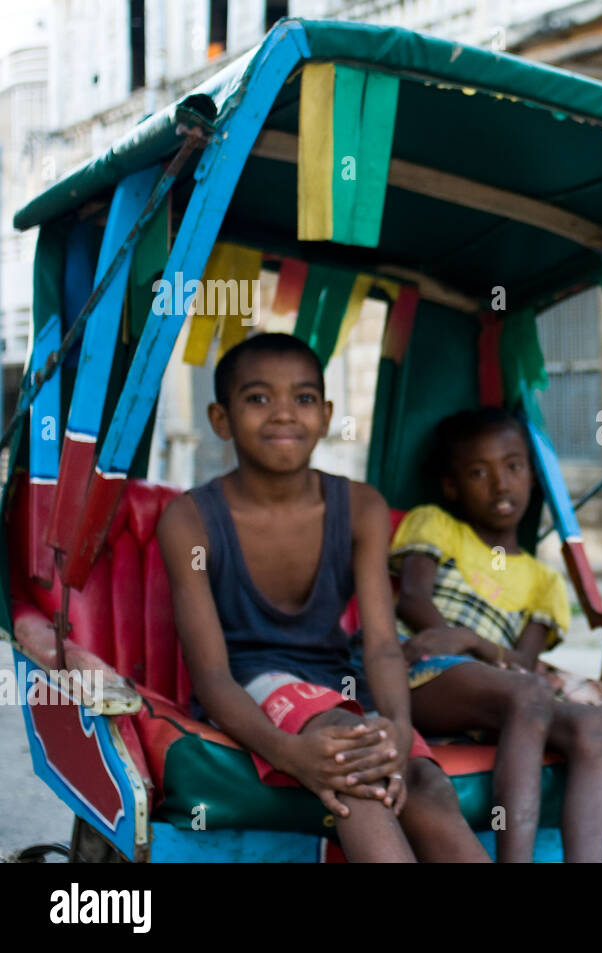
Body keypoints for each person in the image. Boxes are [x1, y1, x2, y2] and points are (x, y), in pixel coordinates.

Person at [156, 332, 489, 862]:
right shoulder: (191, 519)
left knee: (429, 786)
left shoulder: (360, 506)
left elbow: (381, 645)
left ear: (328, 413)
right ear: (220, 418)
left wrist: (400, 730)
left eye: (304, 398)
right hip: (253, 686)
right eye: (259, 398)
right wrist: (290, 753)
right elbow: (212, 677)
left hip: (339, 682)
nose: (284, 414)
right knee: (354, 761)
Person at [390, 407, 602, 863]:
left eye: (513, 467)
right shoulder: (436, 525)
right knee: (525, 693)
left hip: (500, 690)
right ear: (452, 486)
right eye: (479, 472)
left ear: (531, 476)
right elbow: (412, 600)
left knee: (597, 725)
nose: (500, 484)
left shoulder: (544, 582)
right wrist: (460, 649)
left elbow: (522, 664)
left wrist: (472, 644)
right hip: (419, 675)